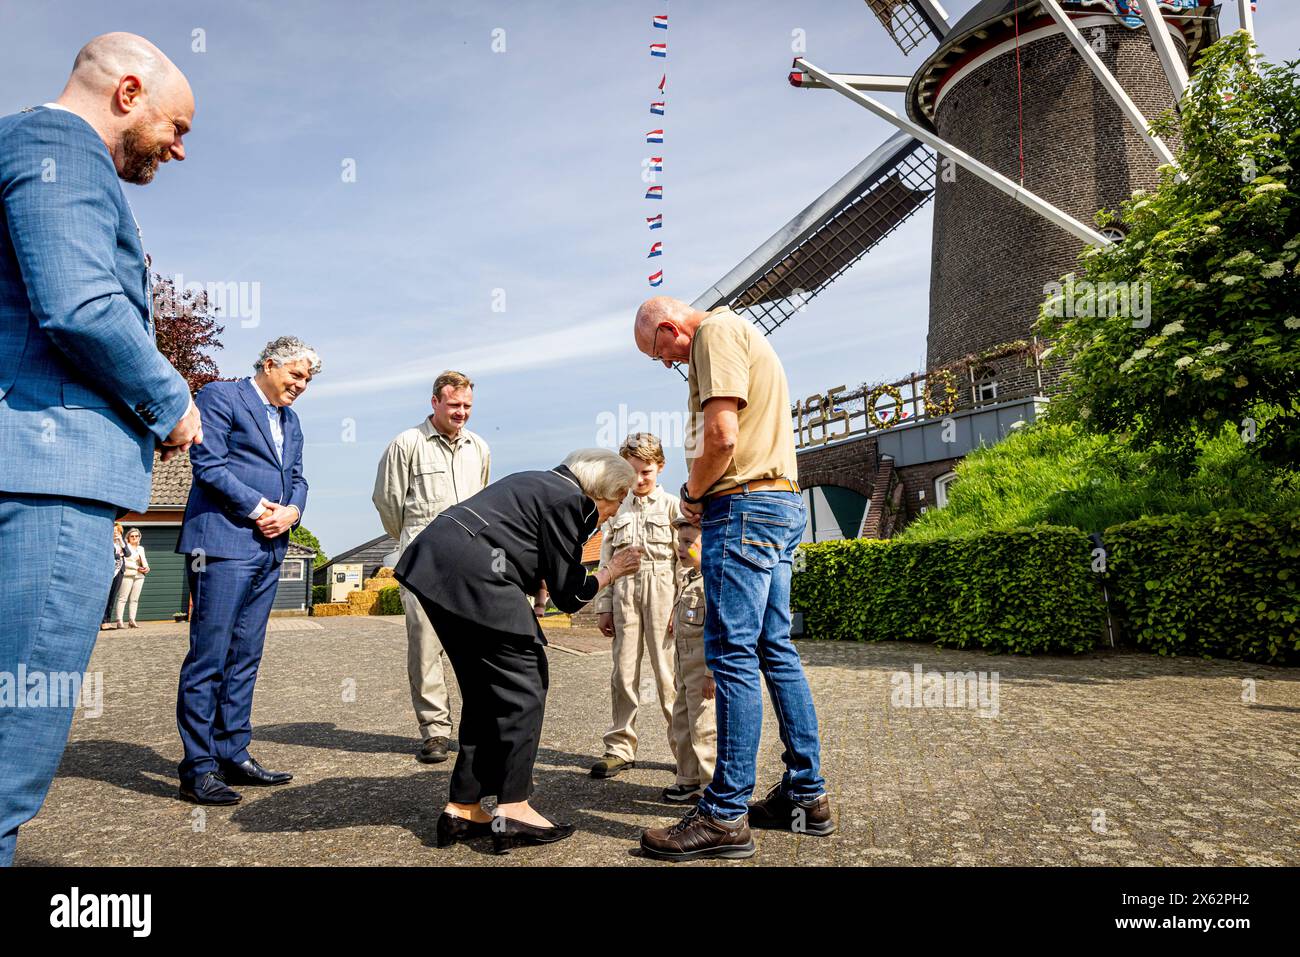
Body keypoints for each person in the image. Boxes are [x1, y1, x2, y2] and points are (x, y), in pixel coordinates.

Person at [0, 33, 201, 866]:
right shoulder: (60, 146)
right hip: (48, 474)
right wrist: (171, 398)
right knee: (17, 721)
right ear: (127, 91)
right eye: (176, 125)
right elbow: (81, 304)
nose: (179, 148)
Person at [633, 296, 833, 862]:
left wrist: (693, 496)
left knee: (732, 654)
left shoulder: (713, 335)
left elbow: (720, 437)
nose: (671, 363)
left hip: (742, 508)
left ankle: (725, 814)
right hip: (780, 504)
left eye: (663, 353)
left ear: (672, 328)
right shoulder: (744, 334)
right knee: (776, 649)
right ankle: (806, 793)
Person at [394, 449, 643, 854]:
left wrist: (536, 577)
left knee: (484, 693)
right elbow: (570, 593)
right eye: (615, 504)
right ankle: (514, 808)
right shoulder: (573, 501)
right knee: (525, 686)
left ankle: (463, 807)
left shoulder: (538, 480)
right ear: (602, 491)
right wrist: (611, 571)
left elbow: (514, 542)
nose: (612, 514)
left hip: (435, 566)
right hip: (475, 579)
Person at [174, 337, 318, 806]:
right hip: (221, 544)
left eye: (308, 380)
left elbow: (298, 477)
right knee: (210, 656)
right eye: (296, 375)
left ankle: (233, 752)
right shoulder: (220, 396)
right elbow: (208, 465)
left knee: (245, 656)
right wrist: (259, 509)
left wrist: (292, 513)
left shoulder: (291, 420)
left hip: (270, 547)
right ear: (269, 364)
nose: (301, 385)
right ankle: (198, 767)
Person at [372, 370, 490, 764]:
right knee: (425, 646)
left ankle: (478, 725)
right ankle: (435, 731)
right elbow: (388, 502)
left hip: (470, 562)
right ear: (435, 402)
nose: (461, 413)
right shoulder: (407, 444)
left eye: (467, 406)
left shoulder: (480, 448)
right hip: (423, 561)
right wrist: (413, 542)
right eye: (454, 405)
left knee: (475, 644)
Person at [589, 432, 682, 779]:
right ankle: (620, 747)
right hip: (625, 591)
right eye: (632, 472)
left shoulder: (673, 506)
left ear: (659, 467)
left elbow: (685, 561)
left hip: (663, 592)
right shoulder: (616, 508)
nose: (639, 479)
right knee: (623, 673)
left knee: (669, 676)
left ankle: (684, 749)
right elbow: (605, 559)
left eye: (646, 471)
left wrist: (680, 605)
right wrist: (604, 605)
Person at [663, 518, 716, 804]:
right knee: (681, 721)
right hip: (683, 667)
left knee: (704, 725)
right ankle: (687, 778)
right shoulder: (687, 578)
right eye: (679, 541)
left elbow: (717, 630)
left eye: (688, 543)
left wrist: (711, 673)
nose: (680, 547)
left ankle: (710, 785)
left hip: (701, 670)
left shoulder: (711, 582)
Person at [113, 527, 150, 628]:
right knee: (123, 598)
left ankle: (132, 620)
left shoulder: (141, 548)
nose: (134, 537)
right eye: (132, 536)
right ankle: (119, 620)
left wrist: (147, 568)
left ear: (139, 537)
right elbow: (125, 562)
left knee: (135, 599)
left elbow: (144, 560)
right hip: (127, 574)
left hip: (140, 576)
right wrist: (137, 567)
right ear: (128, 537)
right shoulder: (125, 547)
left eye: (136, 536)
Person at [102, 524, 128, 630]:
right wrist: (119, 555)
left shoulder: (121, 543)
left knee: (112, 597)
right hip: (109, 571)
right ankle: (102, 622)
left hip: (119, 572)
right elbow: (110, 555)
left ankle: (108, 621)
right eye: (114, 530)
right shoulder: (107, 542)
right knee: (106, 597)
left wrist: (121, 542)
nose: (115, 532)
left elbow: (128, 554)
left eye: (118, 531)